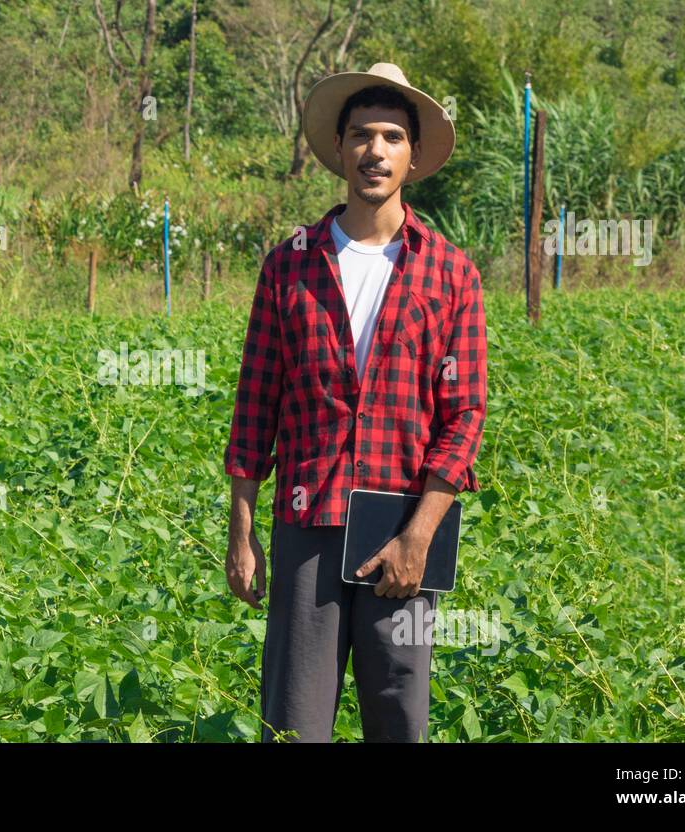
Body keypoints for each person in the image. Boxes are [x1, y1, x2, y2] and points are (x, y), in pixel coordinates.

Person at [223, 63, 488, 742]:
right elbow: (257, 405)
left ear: (414, 155)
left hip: (400, 525)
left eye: (393, 137)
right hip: (308, 519)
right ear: (339, 147)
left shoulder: (449, 271)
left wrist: (419, 537)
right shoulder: (290, 264)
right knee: (295, 721)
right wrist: (242, 532)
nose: (376, 150)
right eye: (363, 135)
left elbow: (463, 418)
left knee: (399, 716)